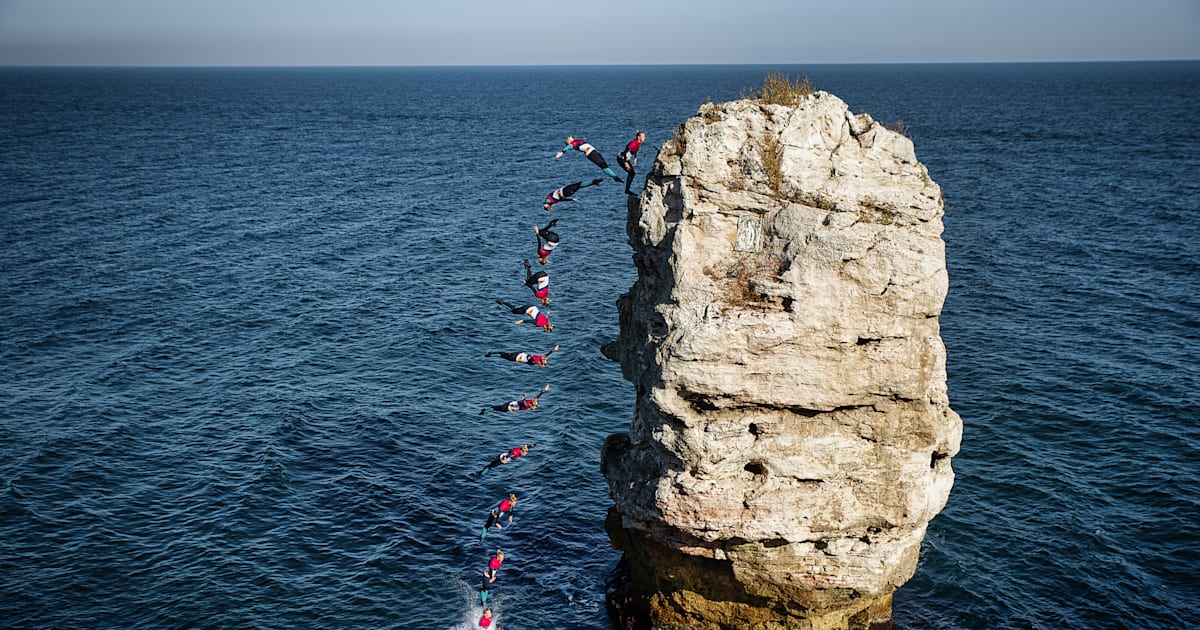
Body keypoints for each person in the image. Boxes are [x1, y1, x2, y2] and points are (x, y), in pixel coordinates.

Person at [555, 136, 623, 182]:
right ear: (568, 141)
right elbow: (569, 146)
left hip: (594, 152)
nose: (569, 136)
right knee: (603, 166)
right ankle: (615, 177)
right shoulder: (573, 143)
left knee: (605, 165)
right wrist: (562, 152)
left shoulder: (577, 141)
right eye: (568, 138)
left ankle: (615, 177)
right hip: (591, 154)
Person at [479, 384, 550, 415]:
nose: (535, 401)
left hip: (509, 406)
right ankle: (485, 411)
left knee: (495, 408)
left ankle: (485, 411)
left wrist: (523, 398)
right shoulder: (529, 404)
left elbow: (522, 403)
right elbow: (538, 397)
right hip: (509, 405)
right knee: (495, 408)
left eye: (535, 403)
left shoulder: (528, 404)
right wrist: (544, 390)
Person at [617, 131, 646, 196]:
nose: (644, 138)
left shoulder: (638, 143)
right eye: (643, 136)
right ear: (638, 137)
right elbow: (625, 151)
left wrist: (635, 158)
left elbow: (634, 150)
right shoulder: (634, 143)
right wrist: (625, 163)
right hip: (621, 158)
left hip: (625, 158)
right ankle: (627, 190)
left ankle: (627, 190)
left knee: (632, 173)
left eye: (644, 136)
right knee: (631, 173)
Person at [484, 346, 559, 368]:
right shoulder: (540, 359)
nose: (544, 358)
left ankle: (489, 355)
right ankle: (491, 354)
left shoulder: (533, 362)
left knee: (501, 355)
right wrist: (553, 350)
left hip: (514, 358)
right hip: (518, 354)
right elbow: (546, 355)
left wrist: (530, 356)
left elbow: (529, 359)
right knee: (502, 354)